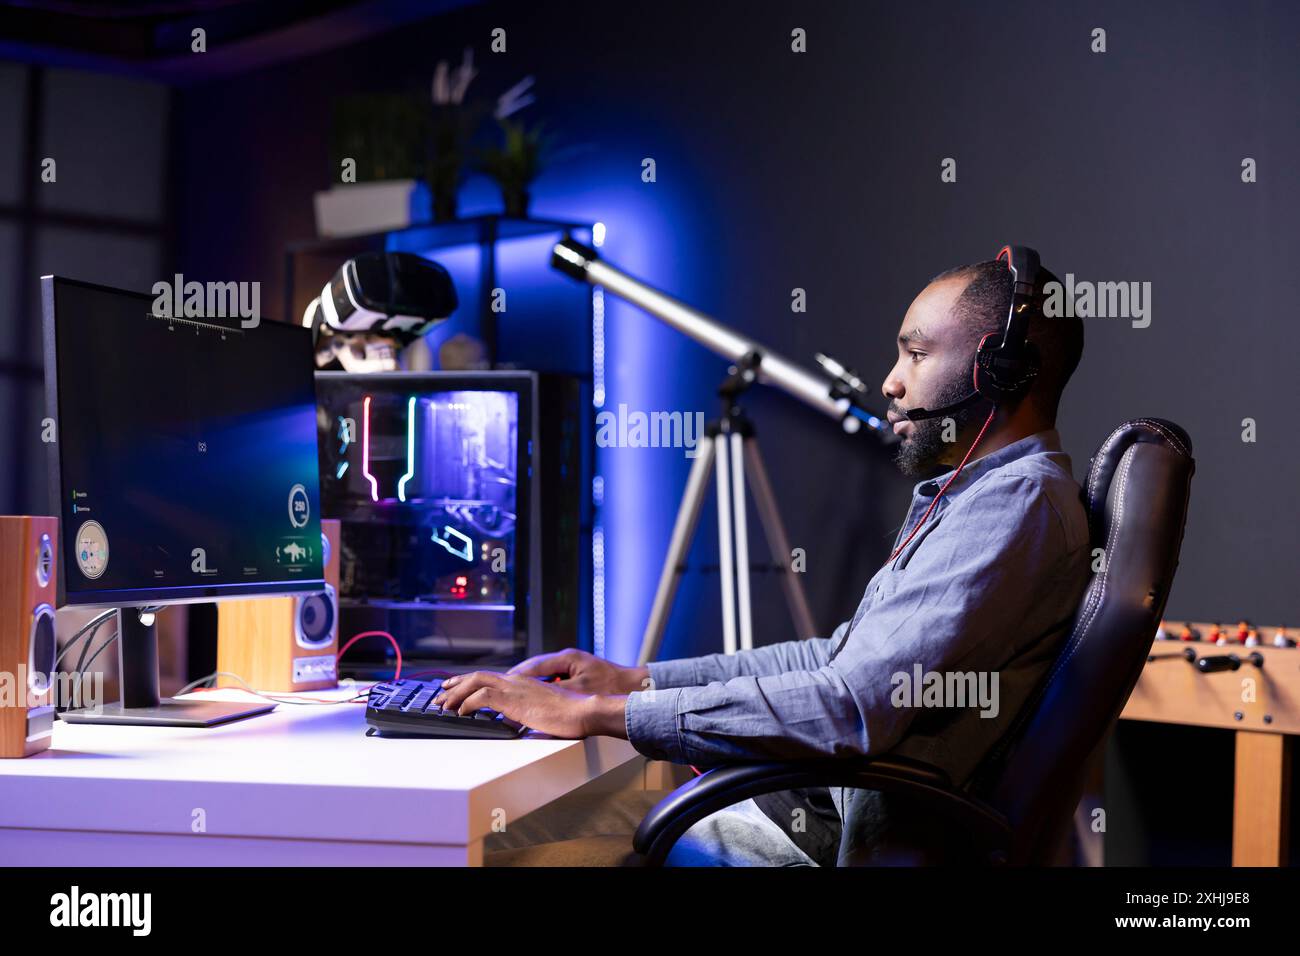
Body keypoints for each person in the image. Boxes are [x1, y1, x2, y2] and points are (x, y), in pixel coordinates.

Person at [433, 253, 1090, 865]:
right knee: (499, 832)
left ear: (1000, 371)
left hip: (822, 841)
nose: (890, 382)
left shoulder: (1014, 506)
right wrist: (635, 682)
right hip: (800, 804)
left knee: (492, 855)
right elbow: (835, 659)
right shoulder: (981, 497)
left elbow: (850, 706)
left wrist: (598, 716)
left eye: (916, 354)